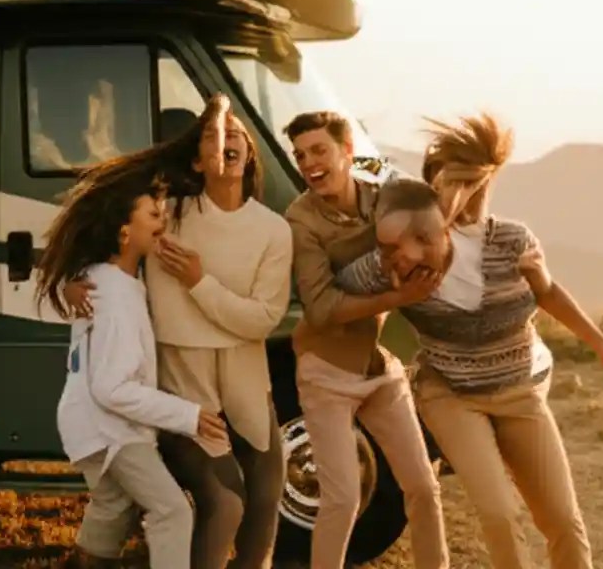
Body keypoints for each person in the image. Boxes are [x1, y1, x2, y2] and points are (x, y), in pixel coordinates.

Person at [334, 113, 603, 569]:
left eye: (477, 181)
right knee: (500, 513)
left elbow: (549, 293)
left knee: (563, 520)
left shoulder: (514, 240)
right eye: (454, 181)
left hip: (519, 392)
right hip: (451, 395)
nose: (467, 195)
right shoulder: (406, 253)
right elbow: (342, 285)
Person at [63, 95, 293, 569]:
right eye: (212, 136)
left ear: (250, 155)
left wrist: (199, 283)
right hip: (183, 380)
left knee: (267, 494)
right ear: (196, 159)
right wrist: (72, 279)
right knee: (225, 502)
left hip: (246, 377)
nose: (225, 141)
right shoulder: (168, 215)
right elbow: (107, 228)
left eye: (234, 136)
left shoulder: (273, 230)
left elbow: (262, 319)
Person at [279, 111, 450, 569]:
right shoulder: (300, 219)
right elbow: (320, 308)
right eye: (300, 155)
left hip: (377, 367)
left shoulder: (383, 199)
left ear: (347, 152)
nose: (308, 163)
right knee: (341, 499)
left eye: (319, 150)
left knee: (422, 486)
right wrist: (398, 295)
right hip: (325, 373)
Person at [36, 170, 229, 569]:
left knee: (114, 506)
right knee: (172, 511)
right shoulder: (115, 293)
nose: (163, 223)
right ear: (125, 233)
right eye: (154, 215)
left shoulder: (105, 280)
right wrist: (188, 416)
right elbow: (112, 388)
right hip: (111, 429)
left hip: (94, 424)